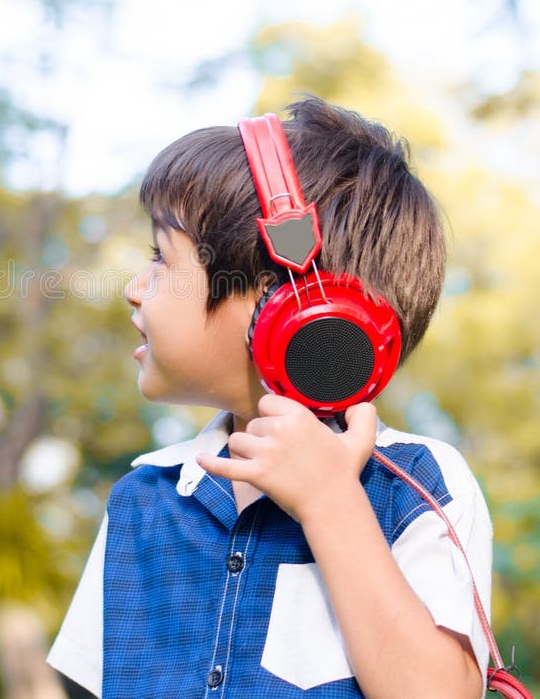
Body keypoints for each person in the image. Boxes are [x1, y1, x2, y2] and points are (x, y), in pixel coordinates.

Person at [47, 96, 492, 699]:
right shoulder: (141, 501)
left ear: (282, 301)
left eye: (160, 258)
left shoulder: (419, 487)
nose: (133, 289)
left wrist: (332, 503)